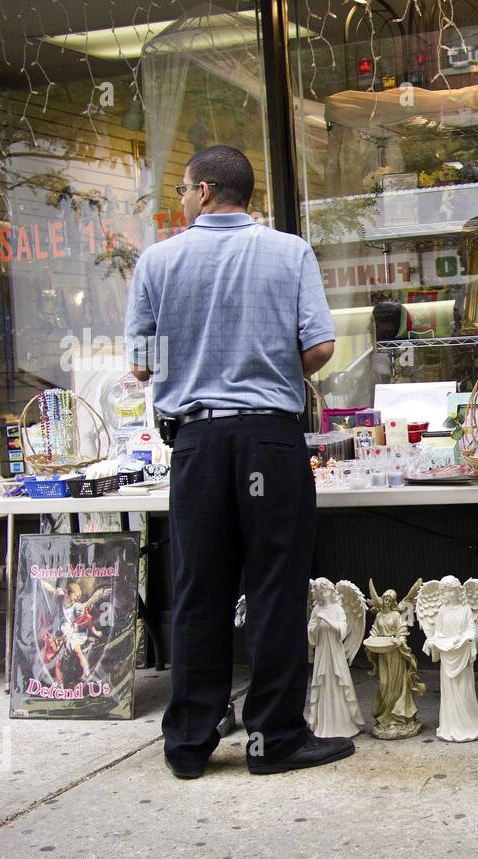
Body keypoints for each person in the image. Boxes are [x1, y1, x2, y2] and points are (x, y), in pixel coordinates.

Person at [126, 145, 353, 779]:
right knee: (275, 588)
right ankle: (272, 739)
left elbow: (143, 365)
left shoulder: (158, 261)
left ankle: (190, 745)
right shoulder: (290, 252)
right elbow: (322, 346)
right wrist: (265, 368)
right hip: (269, 442)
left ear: (203, 191)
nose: (178, 200)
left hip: (197, 444)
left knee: (200, 589)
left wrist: (198, 364)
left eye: (180, 190)